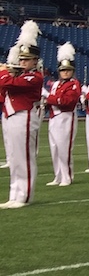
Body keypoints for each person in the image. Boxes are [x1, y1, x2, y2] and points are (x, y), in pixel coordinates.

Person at [0, 22, 43, 208]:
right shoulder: (18, 74)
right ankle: (15, 194)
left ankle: (24, 195)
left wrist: (3, 72)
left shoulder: (35, 76)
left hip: (23, 115)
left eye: (27, 59)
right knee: (15, 158)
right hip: (11, 115)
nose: (22, 62)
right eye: (21, 59)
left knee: (24, 157)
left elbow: (9, 84)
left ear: (35, 61)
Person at [46, 43, 81, 187]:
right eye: (62, 70)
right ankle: (58, 175)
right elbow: (54, 100)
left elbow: (66, 101)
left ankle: (67, 176)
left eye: (68, 70)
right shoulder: (56, 84)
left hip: (66, 117)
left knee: (64, 147)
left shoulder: (74, 84)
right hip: (54, 116)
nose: (65, 73)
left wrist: (50, 98)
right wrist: (52, 99)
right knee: (54, 147)